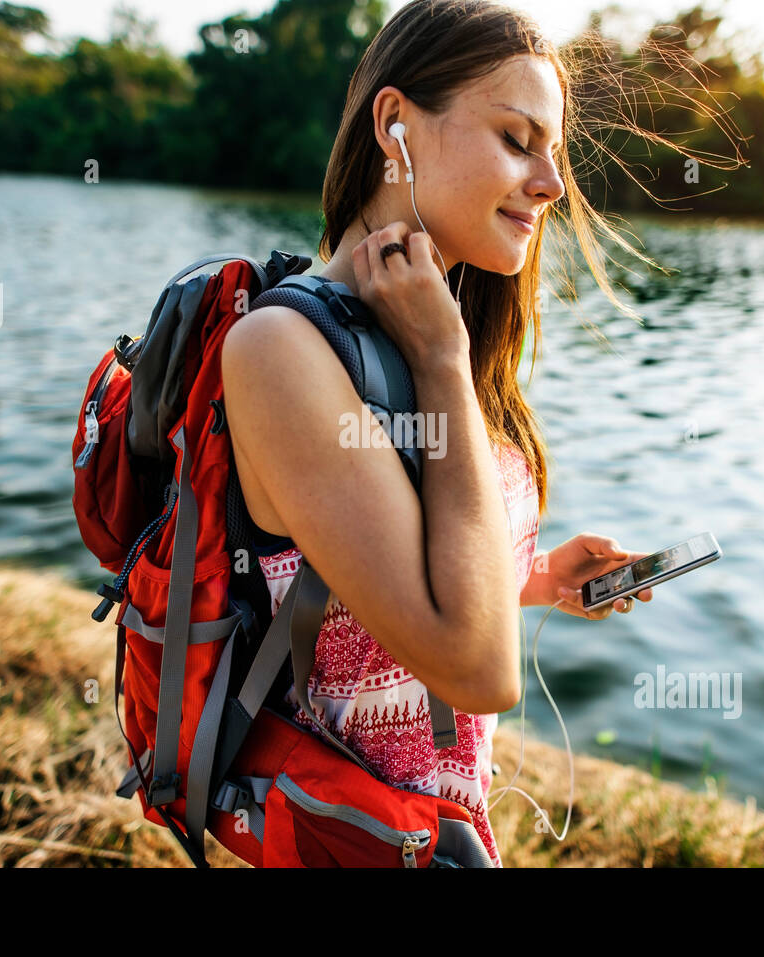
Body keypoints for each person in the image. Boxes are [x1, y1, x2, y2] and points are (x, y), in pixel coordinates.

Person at [220, 0, 656, 869]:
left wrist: (530, 580)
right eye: (516, 138)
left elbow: (374, 589)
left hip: (438, 837)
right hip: (359, 837)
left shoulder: (431, 324)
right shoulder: (284, 350)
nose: (551, 183)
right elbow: (477, 668)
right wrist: (444, 361)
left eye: (555, 152)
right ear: (396, 125)